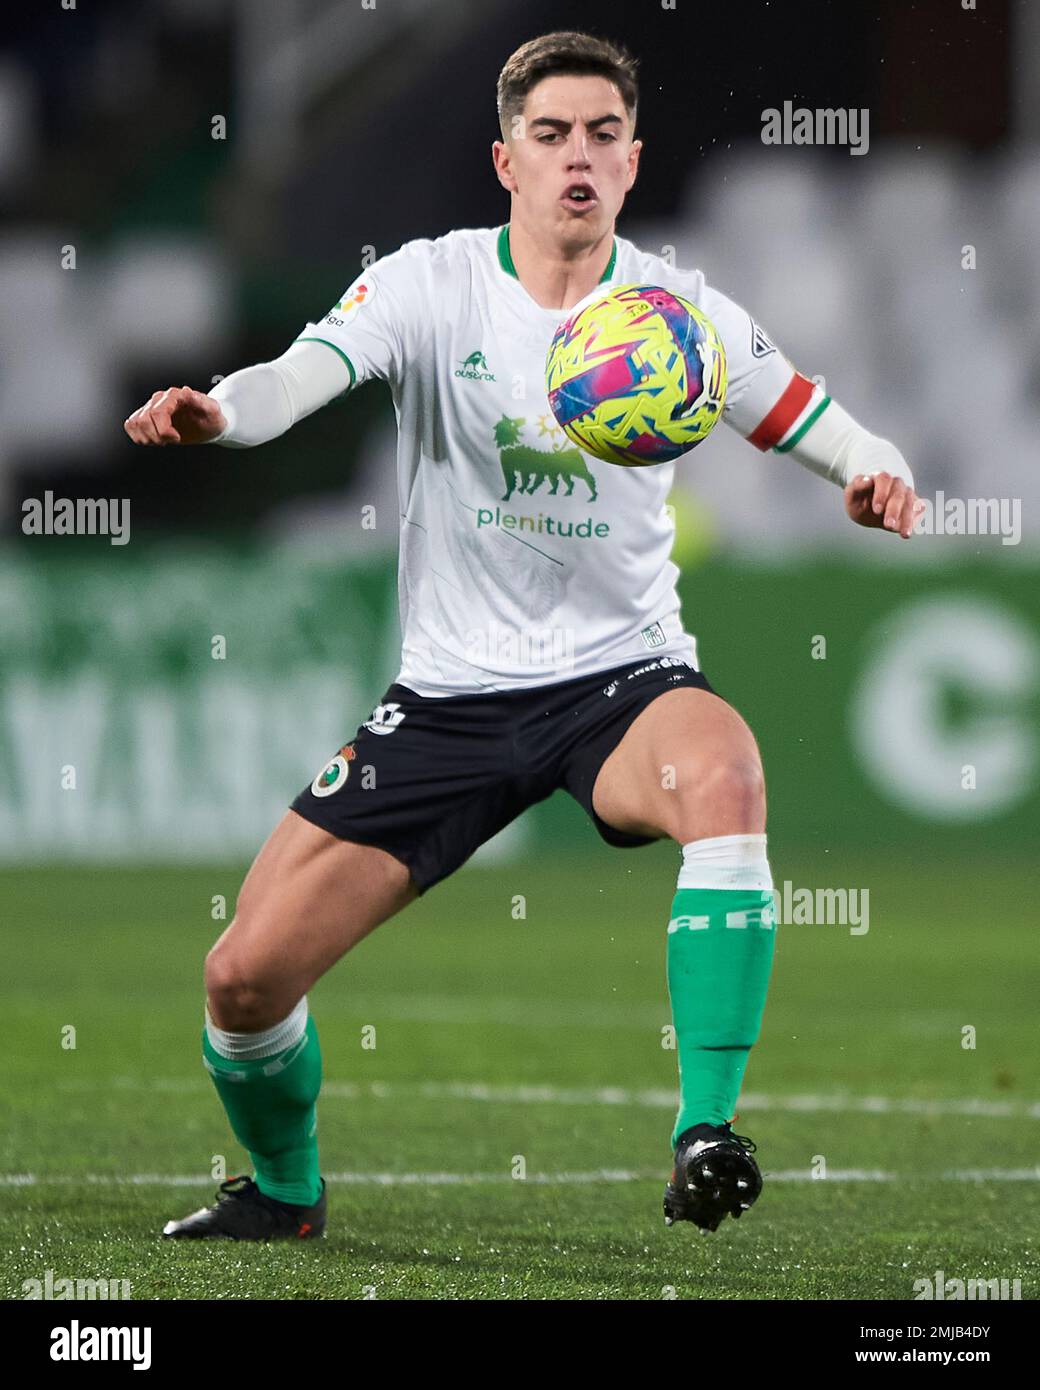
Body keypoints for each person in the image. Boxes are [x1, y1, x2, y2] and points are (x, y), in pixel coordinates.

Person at [124, 31, 918, 1241]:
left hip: (619, 679)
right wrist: (220, 412)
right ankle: (286, 1192)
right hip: (447, 698)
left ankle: (704, 1126)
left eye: (602, 134)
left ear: (634, 158)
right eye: (550, 136)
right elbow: (301, 373)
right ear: (505, 159)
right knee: (241, 980)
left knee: (724, 769)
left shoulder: (677, 314)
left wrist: (875, 475)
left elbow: (817, 418)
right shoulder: (427, 286)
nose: (577, 158)